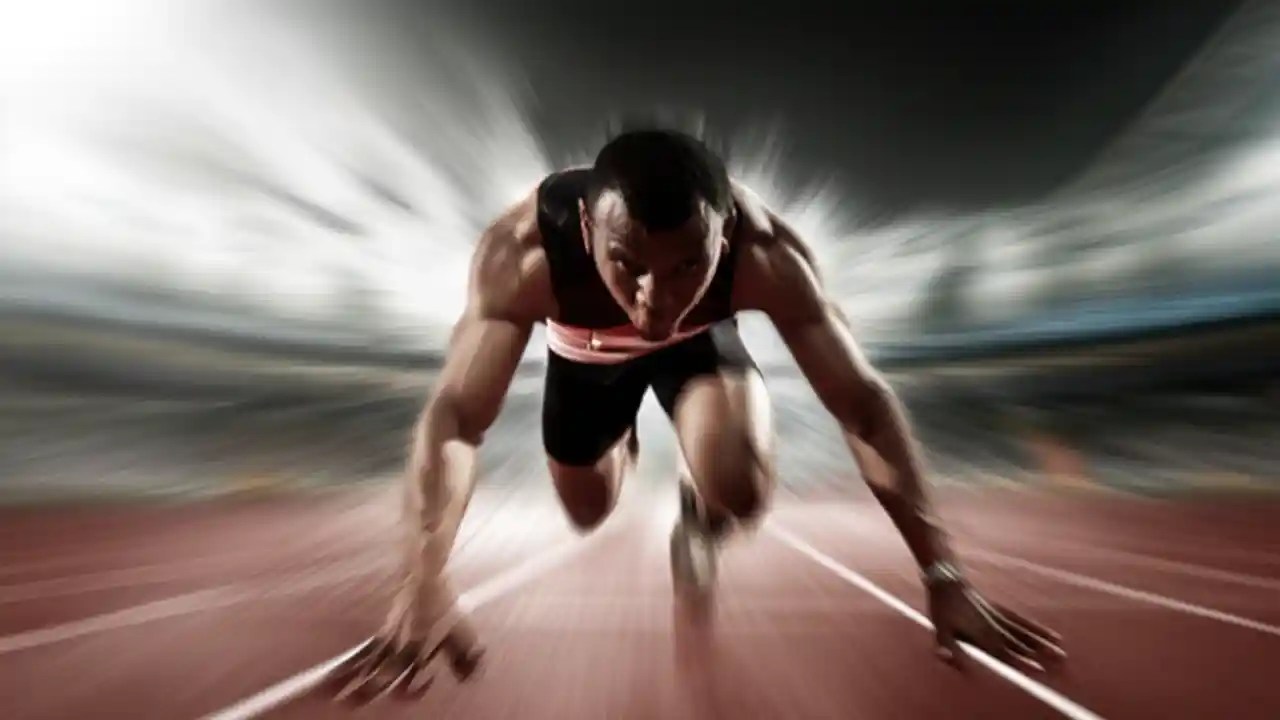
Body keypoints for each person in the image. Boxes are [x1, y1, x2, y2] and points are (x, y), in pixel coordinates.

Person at [327, 128, 1066, 701]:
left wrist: (943, 571)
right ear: (587, 234)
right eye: (629, 263)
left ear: (722, 235)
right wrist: (422, 577)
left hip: (699, 350)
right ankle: (625, 441)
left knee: (736, 484)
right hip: (586, 360)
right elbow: (455, 419)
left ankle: (700, 509)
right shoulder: (523, 255)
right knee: (587, 509)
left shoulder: (767, 255)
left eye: (689, 265)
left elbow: (864, 406)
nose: (656, 296)